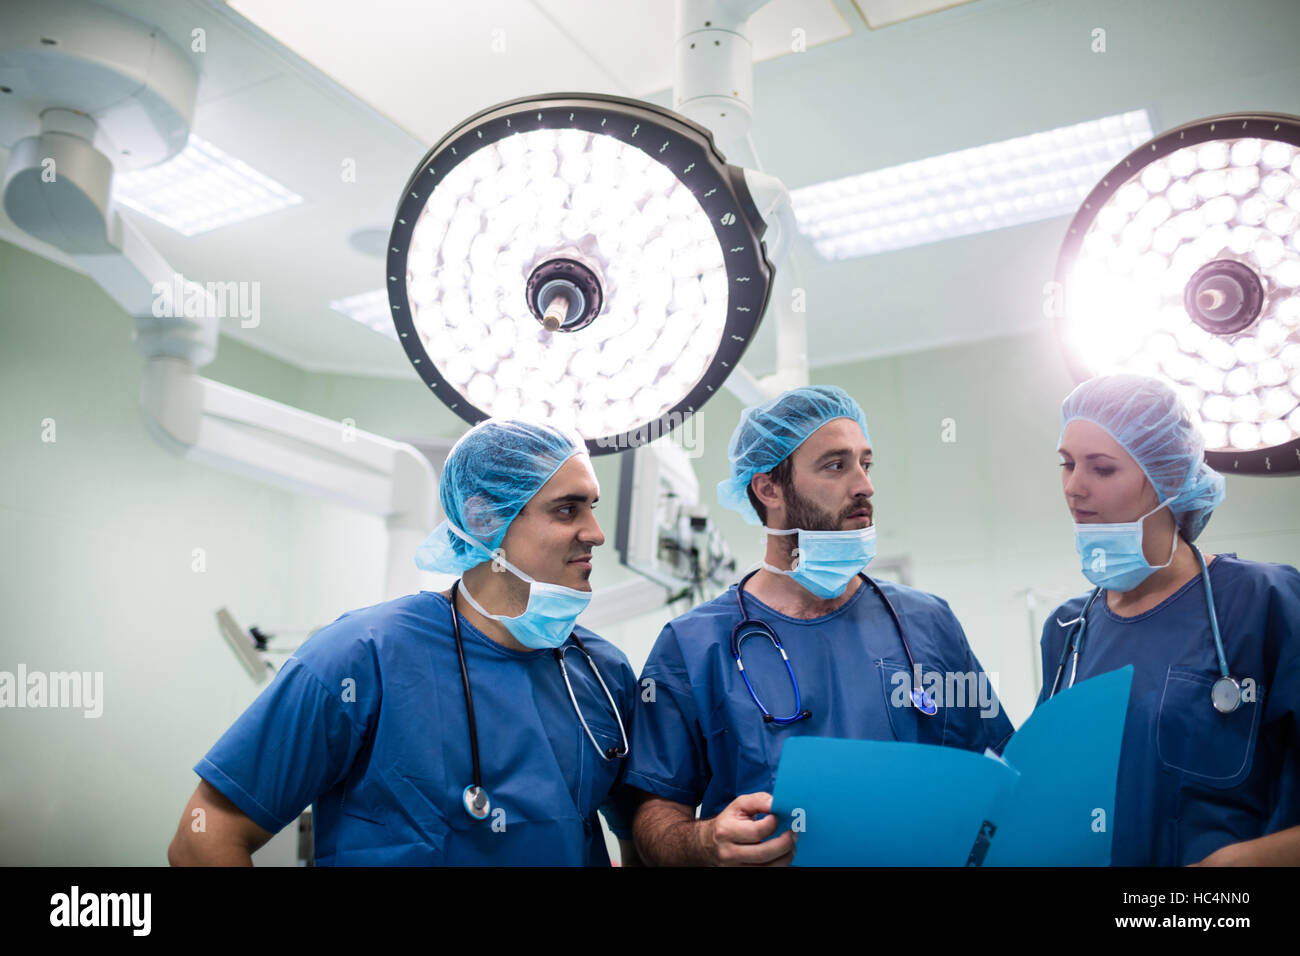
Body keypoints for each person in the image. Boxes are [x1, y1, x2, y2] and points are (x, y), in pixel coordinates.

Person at [167, 419, 640, 866]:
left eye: (592, 507)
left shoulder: (603, 674)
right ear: (482, 518)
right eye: (566, 509)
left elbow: (640, 836)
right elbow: (204, 836)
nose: (595, 533)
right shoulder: (361, 655)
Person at [624, 385, 1014, 865]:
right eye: (836, 465)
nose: (864, 486)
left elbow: (998, 769)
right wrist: (704, 843)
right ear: (768, 488)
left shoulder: (929, 623)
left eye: (865, 464)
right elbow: (653, 815)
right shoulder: (692, 647)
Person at [1041, 373, 1300, 866]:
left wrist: (1243, 862)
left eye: (1102, 468)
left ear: (1168, 478)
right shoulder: (1068, 632)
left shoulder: (1262, 603)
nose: (1074, 487)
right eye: (1068, 464)